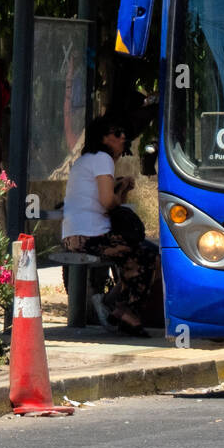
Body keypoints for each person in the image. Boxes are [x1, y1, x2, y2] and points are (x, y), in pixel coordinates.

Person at [61, 116, 158, 337]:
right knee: (148, 255)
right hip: (90, 237)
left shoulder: (87, 160)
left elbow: (106, 201)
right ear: (103, 138)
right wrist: (118, 192)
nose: (123, 137)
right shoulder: (103, 159)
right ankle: (122, 309)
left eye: (123, 132)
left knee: (139, 253)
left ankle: (118, 308)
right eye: (116, 133)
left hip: (76, 236)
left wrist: (120, 188)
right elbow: (107, 202)